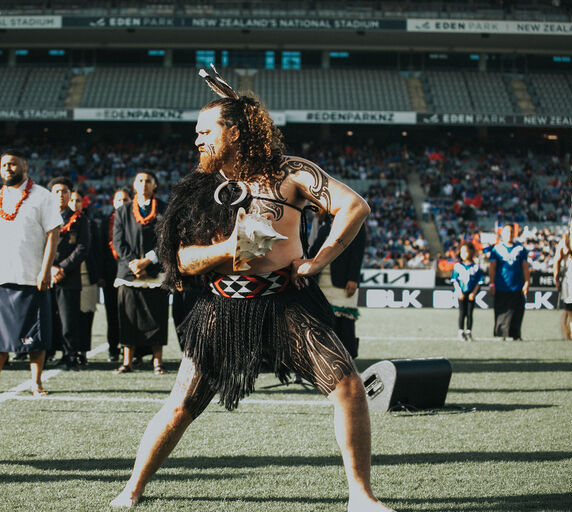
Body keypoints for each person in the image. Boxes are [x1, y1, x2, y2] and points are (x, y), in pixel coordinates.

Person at [110, 68, 391, 511]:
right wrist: (227, 247)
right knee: (181, 405)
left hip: (288, 303)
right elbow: (179, 260)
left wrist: (318, 260)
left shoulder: (290, 172)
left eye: (206, 131)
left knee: (349, 387)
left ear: (235, 132)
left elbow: (353, 206)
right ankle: (132, 489)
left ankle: (361, 496)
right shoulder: (197, 190)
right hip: (221, 306)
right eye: (195, 133)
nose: (197, 141)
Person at [0, 149, 62, 395]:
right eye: (3, 165)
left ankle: (36, 383)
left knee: (37, 335)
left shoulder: (43, 196)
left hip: (33, 277)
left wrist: (45, 270)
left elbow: (53, 234)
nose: (7, 169)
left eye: (13, 164)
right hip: (1, 277)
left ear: (25, 165)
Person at [112, 172, 168, 375]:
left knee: (157, 317)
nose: (144, 184)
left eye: (148, 181)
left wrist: (148, 261)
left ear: (155, 185)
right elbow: (118, 242)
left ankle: (157, 362)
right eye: (140, 180)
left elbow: (167, 241)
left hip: (155, 271)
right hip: (129, 273)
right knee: (129, 317)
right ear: (134, 185)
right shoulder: (123, 211)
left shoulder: (164, 208)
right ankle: (127, 362)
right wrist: (134, 264)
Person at [310, 215, 366, 358]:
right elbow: (313, 252)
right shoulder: (324, 229)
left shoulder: (356, 225)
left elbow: (357, 253)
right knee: (324, 319)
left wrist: (353, 278)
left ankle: (348, 354)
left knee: (345, 320)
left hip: (343, 281)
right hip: (322, 281)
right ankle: (326, 355)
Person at [48, 177, 90, 370]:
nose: (60, 195)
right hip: (46, 276)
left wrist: (62, 267)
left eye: (64, 191)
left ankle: (70, 356)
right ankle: (47, 353)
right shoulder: (43, 217)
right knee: (49, 318)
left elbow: (82, 248)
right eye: (56, 191)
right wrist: (49, 268)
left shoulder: (80, 220)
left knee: (69, 320)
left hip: (69, 277)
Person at [69, 190, 104, 366]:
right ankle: (69, 351)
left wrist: (99, 274)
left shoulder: (90, 224)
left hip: (87, 277)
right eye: (72, 200)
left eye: (78, 200)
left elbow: (97, 251)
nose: (74, 203)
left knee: (86, 317)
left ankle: (82, 352)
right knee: (69, 317)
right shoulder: (59, 222)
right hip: (67, 276)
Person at [101, 189, 130, 362]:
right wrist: (101, 274)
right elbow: (100, 249)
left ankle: (136, 351)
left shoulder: (135, 220)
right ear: (113, 202)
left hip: (129, 272)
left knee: (130, 314)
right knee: (112, 314)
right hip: (110, 274)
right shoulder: (105, 222)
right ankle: (113, 349)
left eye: (125, 199)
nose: (122, 202)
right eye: (119, 199)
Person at [489, 223, 530, 341]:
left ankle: (516, 334)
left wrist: (526, 282)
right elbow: (492, 268)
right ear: (502, 233)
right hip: (501, 285)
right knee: (501, 311)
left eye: (511, 232)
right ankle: (501, 334)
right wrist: (492, 284)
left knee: (517, 311)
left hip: (517, 285)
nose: (509, 234)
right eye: (507, 232)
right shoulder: (496, 249)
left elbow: (525, 267)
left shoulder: (520, 249)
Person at [451, 242, 483, 342]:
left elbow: (479, 282)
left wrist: (473, 293)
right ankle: (460, 332)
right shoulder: (457, 266)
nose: (464, 254)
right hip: (461, 294)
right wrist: (458, 291)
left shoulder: (476, 267)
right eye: (462, 252)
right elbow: (455, 280)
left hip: (471, 294)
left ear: (472, 252)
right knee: (462, 313)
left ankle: (468, 332)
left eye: (467, 251)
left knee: (469, 313)